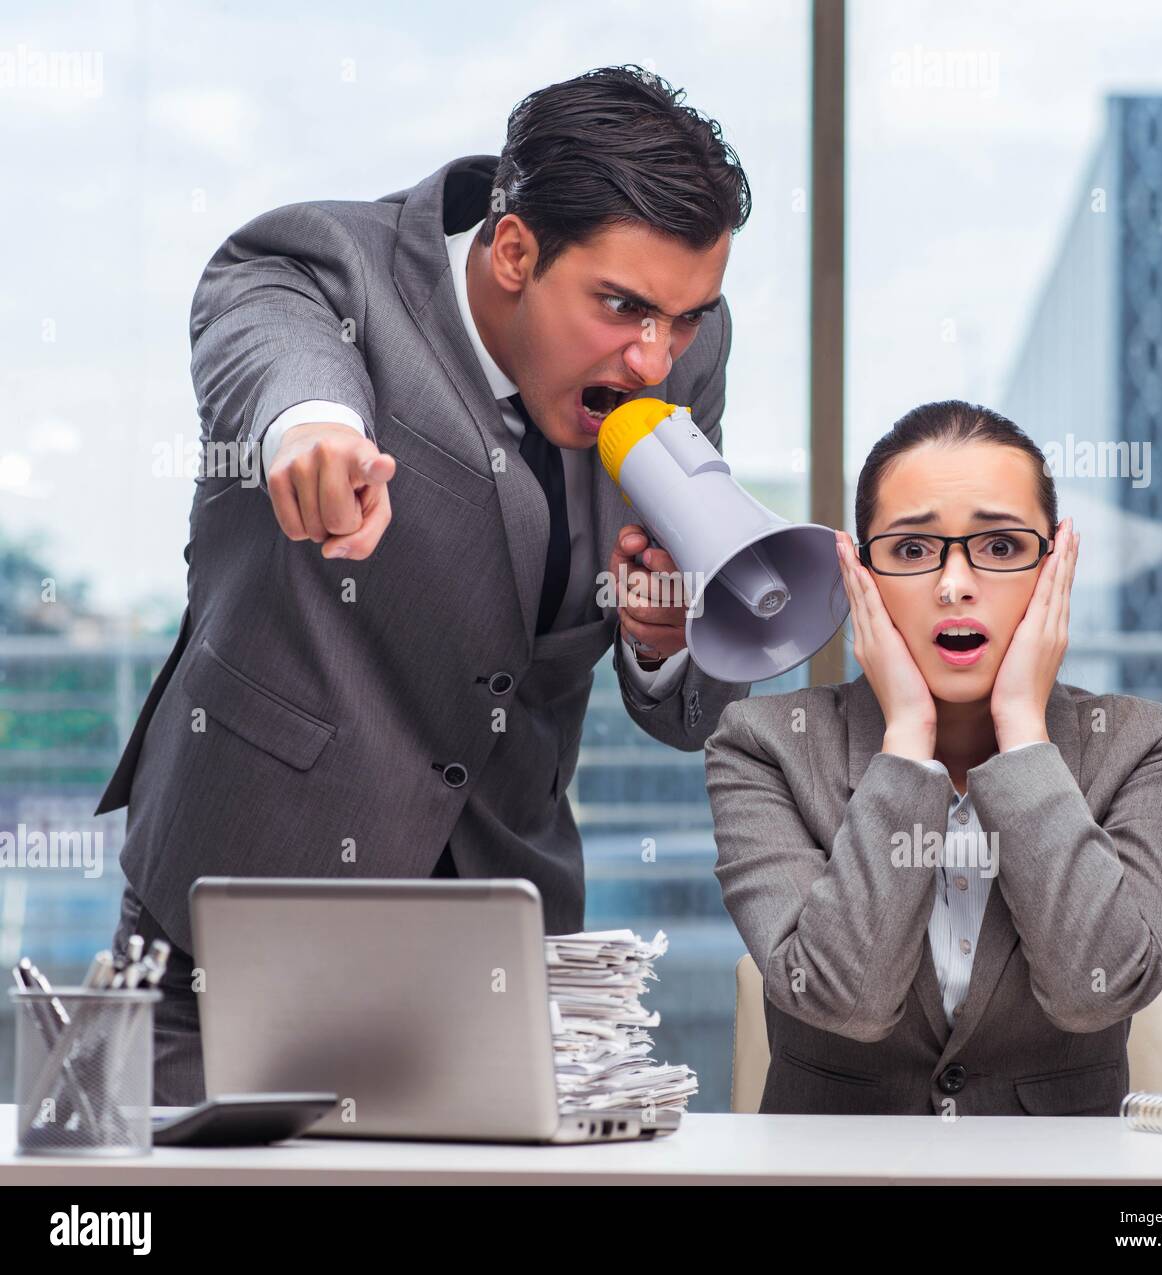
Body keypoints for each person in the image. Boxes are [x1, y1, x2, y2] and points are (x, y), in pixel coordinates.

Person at [95, 65, 755, 1105]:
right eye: (622, 307)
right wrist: (312, 431)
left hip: (499, 937)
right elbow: (278, 350)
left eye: (683, 318)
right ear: (512, 251)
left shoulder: (680, 348)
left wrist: (665, 632)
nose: (652, 357)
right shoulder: (322, 267)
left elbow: (685, 711)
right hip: (235, 924)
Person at [704, 400, 1162, 1116]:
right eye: (911, 551)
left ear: (1056, 562)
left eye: (1001, 547)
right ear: (858, 573)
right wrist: (907, 735)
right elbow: (847, 999)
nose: (954, 584)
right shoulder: (764, 746)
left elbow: (1093, 989)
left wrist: (1024, 729)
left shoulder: (1148, 745)